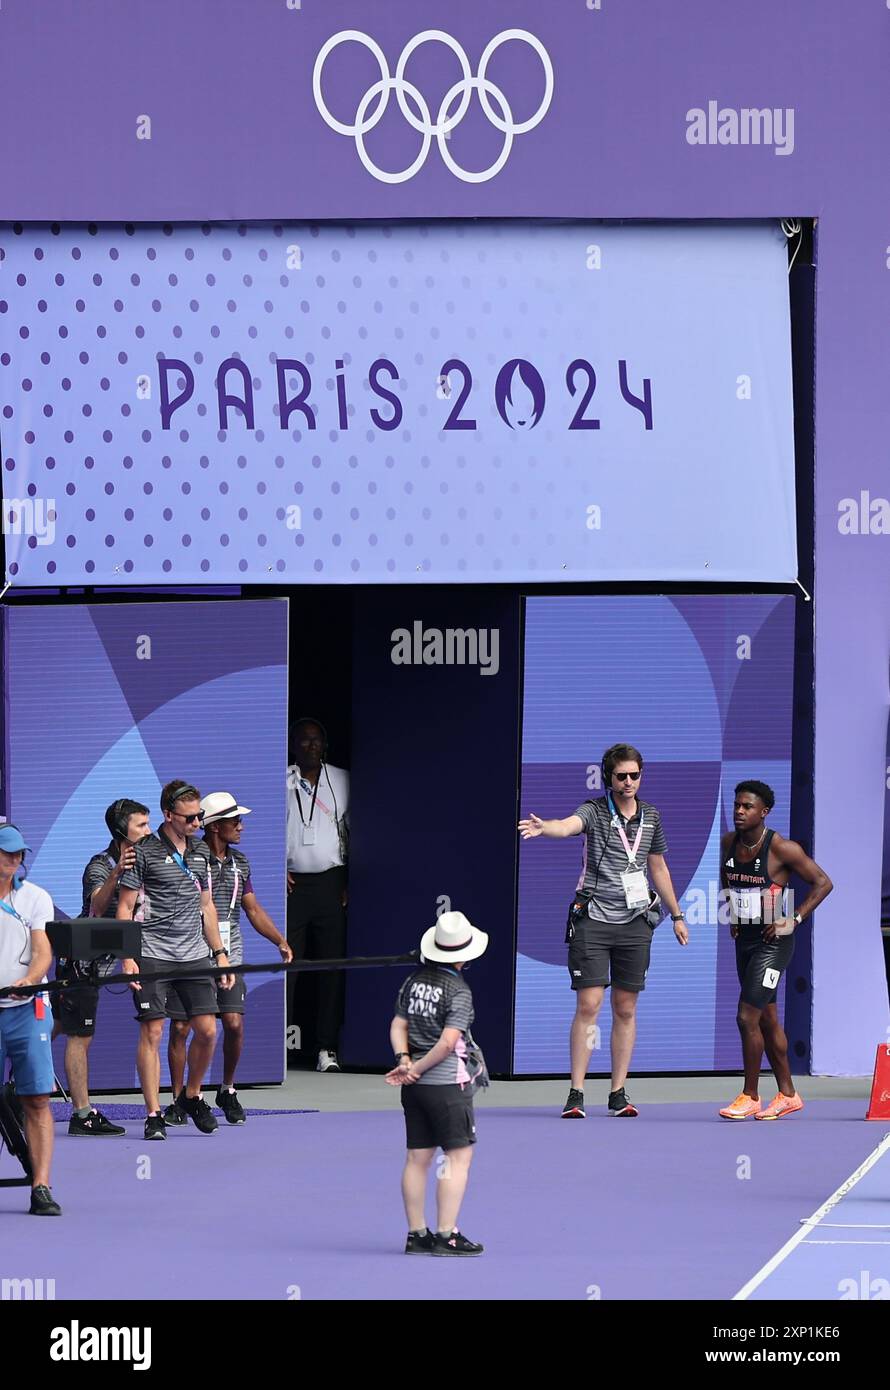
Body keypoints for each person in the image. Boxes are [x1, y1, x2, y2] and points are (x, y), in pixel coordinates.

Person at [519, 742, 689, 1119]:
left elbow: (657, 867)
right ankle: (576, 1093)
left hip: (636, 922)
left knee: (625, 1008)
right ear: (609, 778)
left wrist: (676, 915)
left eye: (635, 775)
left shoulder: (651, 816)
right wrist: (545, 827)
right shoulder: (595, 811)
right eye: (621, 776)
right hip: (593, 919)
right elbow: (568, 826)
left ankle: (617, 1092)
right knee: (589, 1005)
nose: (628, 782)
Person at [166, 792, 293, 1126]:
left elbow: (251, 908)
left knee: (233, 1024)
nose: (241, 826)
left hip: (230, 957)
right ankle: (180, 1098)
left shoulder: (241, 862)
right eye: (235, 820)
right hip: (191, 955)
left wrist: (279, 940)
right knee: (181, 1027)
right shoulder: (191, 858)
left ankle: (227, 1089)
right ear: (214, 826)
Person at [117, 781, 233, 1140]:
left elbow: (207, 907)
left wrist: (220, 954)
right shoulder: (143, 853)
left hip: (195, 955)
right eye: (190, 817)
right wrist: (127, 957)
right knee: (153, 1030)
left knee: (208, 1030)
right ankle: (153, 1114)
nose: (198, 822)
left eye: (200, 815)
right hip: (153, 953)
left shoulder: (200, 854)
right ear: (168, 815)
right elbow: (125, 907)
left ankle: (192, 1096)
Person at [719, 780, 833, 1120]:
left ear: (764, 812)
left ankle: (750, 1095)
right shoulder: (728, 842)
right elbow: (727, 878)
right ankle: (788, 1095)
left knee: (745, 1017)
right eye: (737, 805)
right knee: (767, 1020)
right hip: (746, 942)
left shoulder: (783, 848)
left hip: (774, 943)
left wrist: (794, 919)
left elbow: (823, 882)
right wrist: (732, 916)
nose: (739, 811)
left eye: (747, 807)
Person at [386, 911, 488, 1257]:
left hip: (414, 1089)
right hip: (447, 1086)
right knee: (458, 1157)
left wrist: (405, 1061)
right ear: (463, 955)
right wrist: (416, 1068)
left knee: (418, 1157)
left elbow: (398, 1025)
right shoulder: (459, 991)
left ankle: (417, 1234)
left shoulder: (413, 982)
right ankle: (447, 1234)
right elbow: (447, 1044)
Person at [51, 799, 151, 1137]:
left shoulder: (148, 861)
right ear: (122, 830)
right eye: (141, 825)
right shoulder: (100, 864)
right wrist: (117, 871)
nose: (148, 831)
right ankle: (81, 1114)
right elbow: (97, 904)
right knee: (77, 1034)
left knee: (53, 1027)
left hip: (116, 959)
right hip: (82, 962)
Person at [0, 823, 61, 1215]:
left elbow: (42, 951)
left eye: (19, 852)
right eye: (7, 852)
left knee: (37, 1099)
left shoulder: (36, 897)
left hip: (28, 1009)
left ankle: (40, 1187)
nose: (15, 858)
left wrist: (31, 978)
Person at [286, 718, 350, 1073]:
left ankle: (327, 1047)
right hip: (293, 884)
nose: (310, 746)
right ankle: (282, 1044)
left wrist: (351, 878)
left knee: (331, 966)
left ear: (324, 745)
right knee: (288, 966)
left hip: (330, 881)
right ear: (294, 745)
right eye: (303, 740)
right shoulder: (281, 779)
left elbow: (356, 830)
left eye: (316, 740)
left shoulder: (342, 779)